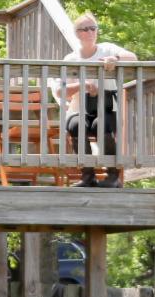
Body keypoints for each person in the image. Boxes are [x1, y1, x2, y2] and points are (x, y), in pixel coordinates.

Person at [56, 12, 137, 188]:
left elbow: (133, 57)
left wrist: (114, 59)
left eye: (94, 28)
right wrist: (82, 85)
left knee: (101, 124)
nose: (91, 32)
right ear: (77, 33)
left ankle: (113, 176)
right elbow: (60, 91)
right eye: (86, 29)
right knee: (77, 125)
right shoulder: (70, 59)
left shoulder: (107, 49)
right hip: (79, 108)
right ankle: (88, 176)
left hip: (107, 107)